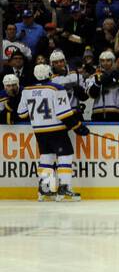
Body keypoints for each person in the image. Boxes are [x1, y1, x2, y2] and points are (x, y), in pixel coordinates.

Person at [17, 62, 90, 200]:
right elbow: (64, 114)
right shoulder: (56, 88)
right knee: (65, 156)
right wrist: (78, 126)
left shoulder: (26, 90)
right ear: (49, 74)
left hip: (39, 131)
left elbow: (21, 114)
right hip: (56, 129)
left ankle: (45, 189)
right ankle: (64, 188)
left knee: (46, 157)